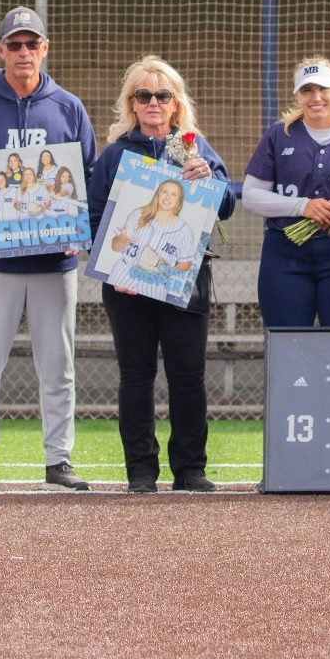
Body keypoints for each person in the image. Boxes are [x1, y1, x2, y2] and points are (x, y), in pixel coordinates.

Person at [0, 6, 97, 494]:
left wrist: (81, 226)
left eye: (32, 44)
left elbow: (89, 177)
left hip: (54, 259)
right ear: (0, 49)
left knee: (59, 364)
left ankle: (58, 461)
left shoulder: (68, 107)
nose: (23, 52)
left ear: (45, 48)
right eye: (15, 44)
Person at [87, 56, 235, 493]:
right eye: (143, 95)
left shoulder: (195, 148)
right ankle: (141, 471)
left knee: (188, 375)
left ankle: (190, 469)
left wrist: (210, 179)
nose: (153, 102)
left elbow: (224, 206)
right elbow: (97, 219)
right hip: (127, 287)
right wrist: (116, 270)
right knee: (136, 375)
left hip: (184, 280)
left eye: (162, 95)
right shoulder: (115, 155)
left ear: (176, 104)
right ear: (131, 104)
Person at [241, 58, 330, 331]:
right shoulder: (279, 133)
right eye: (307, 90)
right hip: (285, 253)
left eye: (323, 89)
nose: (316, 97)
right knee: (288, 344)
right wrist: (302, 206)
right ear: (297, 95)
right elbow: (250, 196)